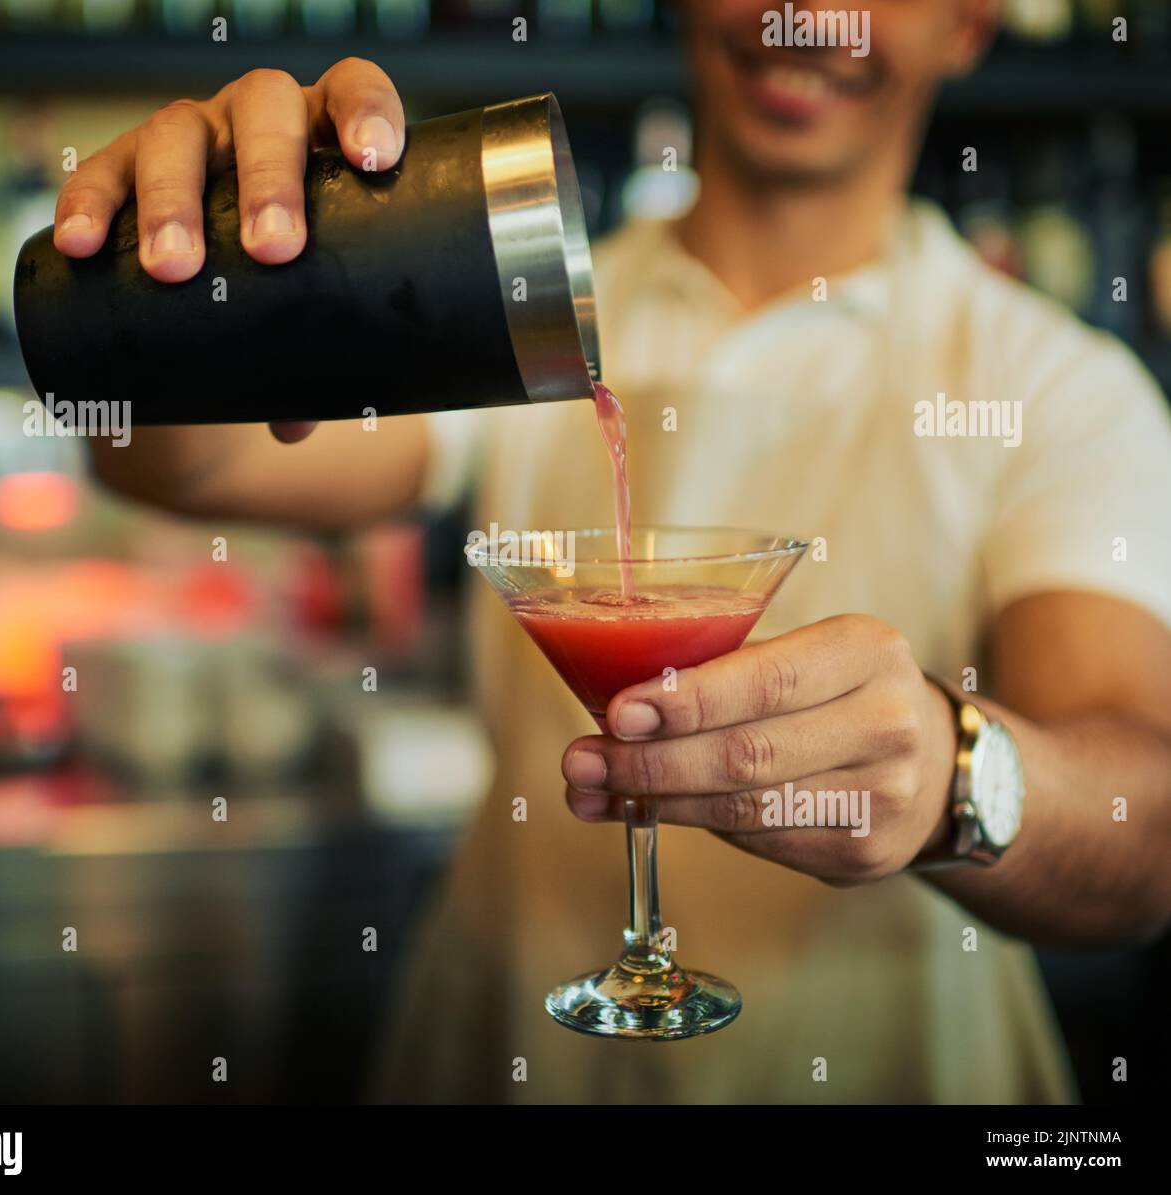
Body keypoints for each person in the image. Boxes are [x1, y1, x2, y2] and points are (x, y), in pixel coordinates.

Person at [59, 0, 1171, 1102]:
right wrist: (188, 278)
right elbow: (176, 467)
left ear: (970, 25)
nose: (805, 19)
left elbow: (1146, 834)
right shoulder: (509, 301)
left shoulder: (1055, 385)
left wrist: (951, 773)